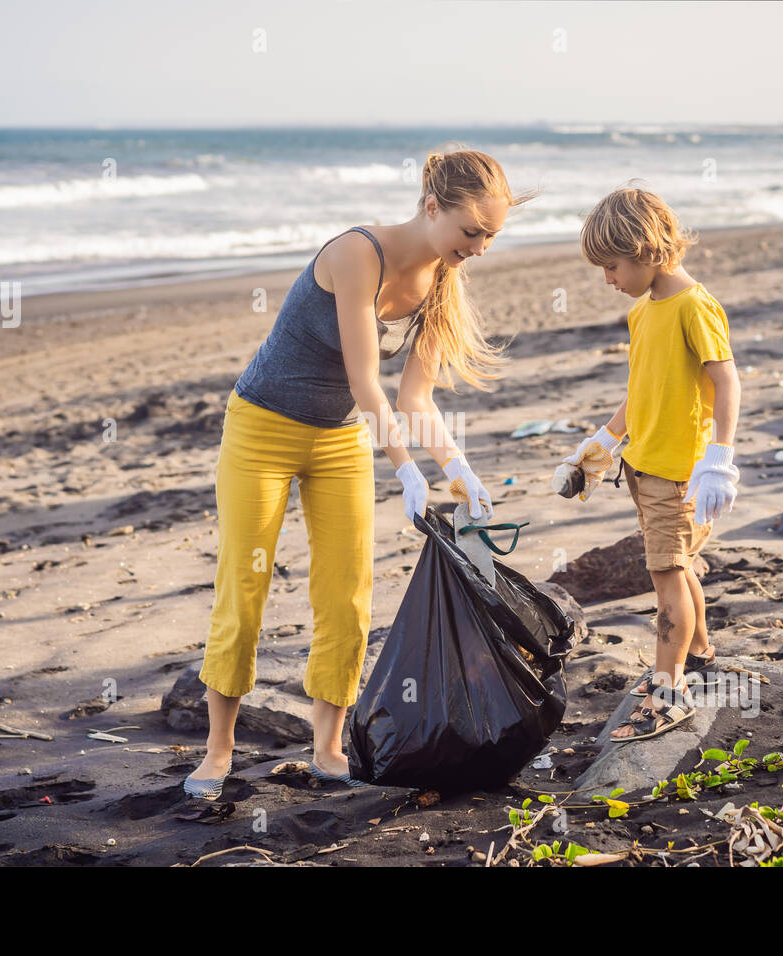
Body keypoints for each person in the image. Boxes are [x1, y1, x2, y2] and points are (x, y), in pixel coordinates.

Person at [185, 148, 536, 798]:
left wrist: (457, 467)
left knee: (347, 593)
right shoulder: (354, 255)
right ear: (433, 207)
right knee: (246, 585)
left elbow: (414, 399)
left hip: (339, 438)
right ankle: (218, 749)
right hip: (262, 426)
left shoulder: (443, 281)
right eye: (472, 232)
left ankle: (326, 746)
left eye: (491, 236)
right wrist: (404, 469)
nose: (481, 248)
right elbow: (364, 381)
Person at [559, 183, 742, 743]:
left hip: (682, 474)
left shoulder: (694, 305)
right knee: (679, 567)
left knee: (665, 579)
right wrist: (600, 444)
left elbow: (727, 381)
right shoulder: (644, 312)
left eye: (611, 266)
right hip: (643, 468)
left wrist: (720, 458)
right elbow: (640, 393)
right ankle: (701, 653)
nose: (608, 279)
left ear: (645, 249)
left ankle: (670, 688)